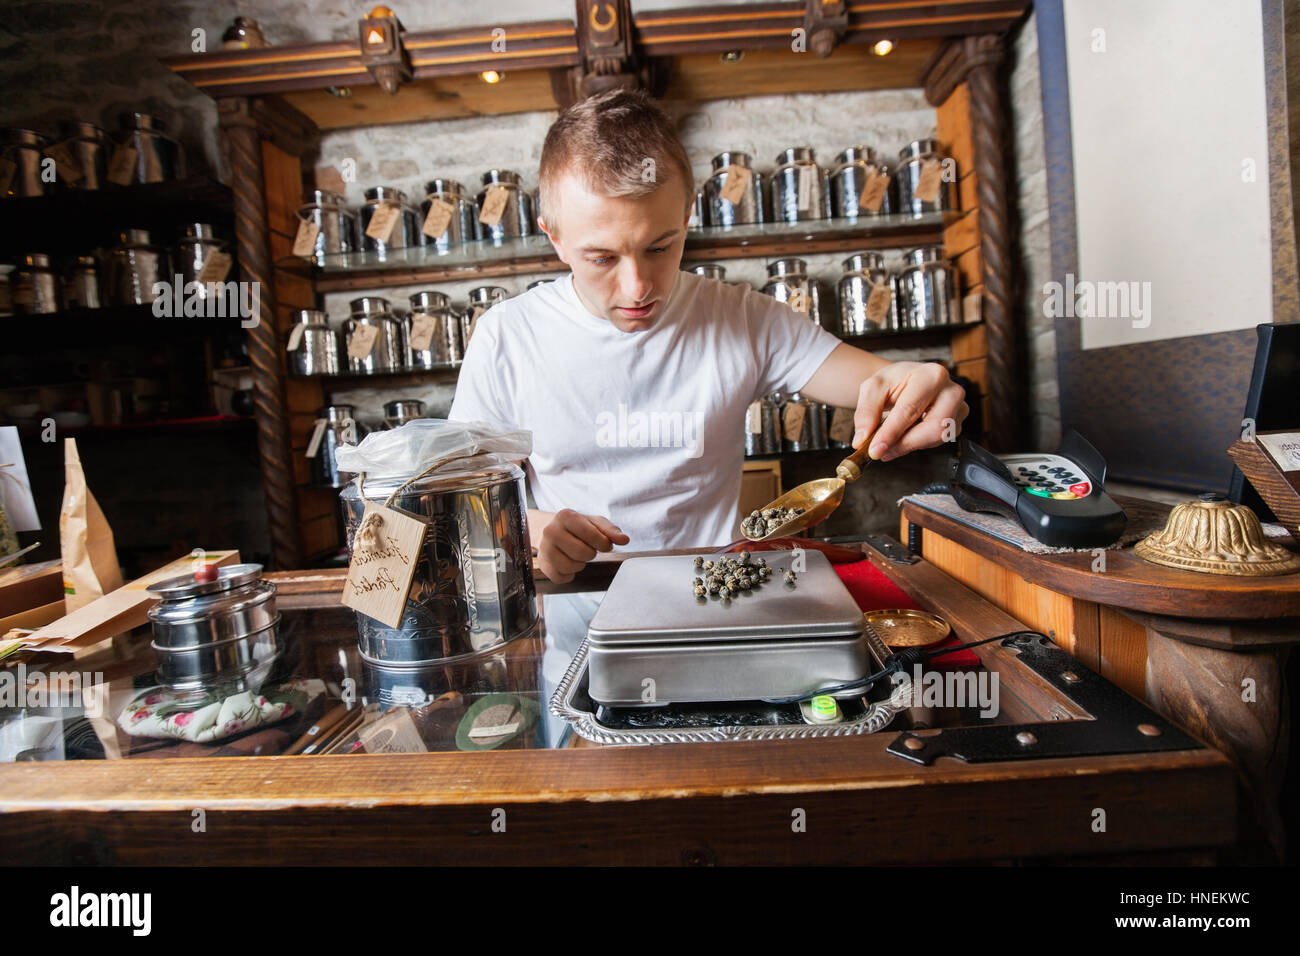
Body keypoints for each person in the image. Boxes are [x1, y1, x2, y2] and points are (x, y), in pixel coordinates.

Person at [450, 89, 968, 584]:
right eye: (602, 257)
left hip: (714, 605)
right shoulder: (507, 336)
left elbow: (891, 387)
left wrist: (925, 389)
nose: (637, 288)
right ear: (554, 237)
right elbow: (464, 505)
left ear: (687, 212)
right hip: (576, 632)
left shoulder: (744, 318)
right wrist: (534, 530)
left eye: (661, 246)